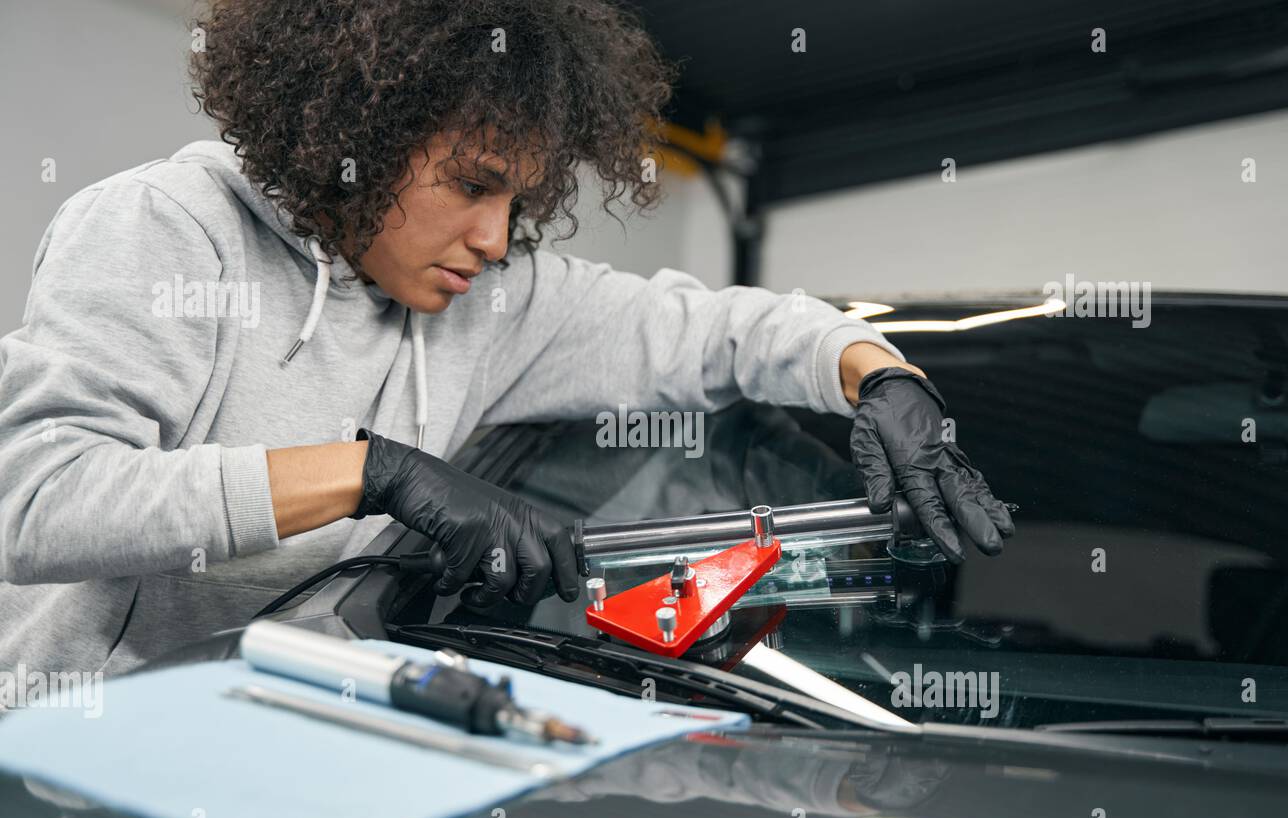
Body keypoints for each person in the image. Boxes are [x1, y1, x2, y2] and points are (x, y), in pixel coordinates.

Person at [0, 0, 1012, 677]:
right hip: (77, 763)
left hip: (296, 741)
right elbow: (40, 502)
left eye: (518, 199)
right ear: (358, 136)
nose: (493, 237)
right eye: (473, 183)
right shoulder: (164, 229)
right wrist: (372, 474)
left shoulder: (492, 302)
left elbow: (713, 329)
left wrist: (877, 373)